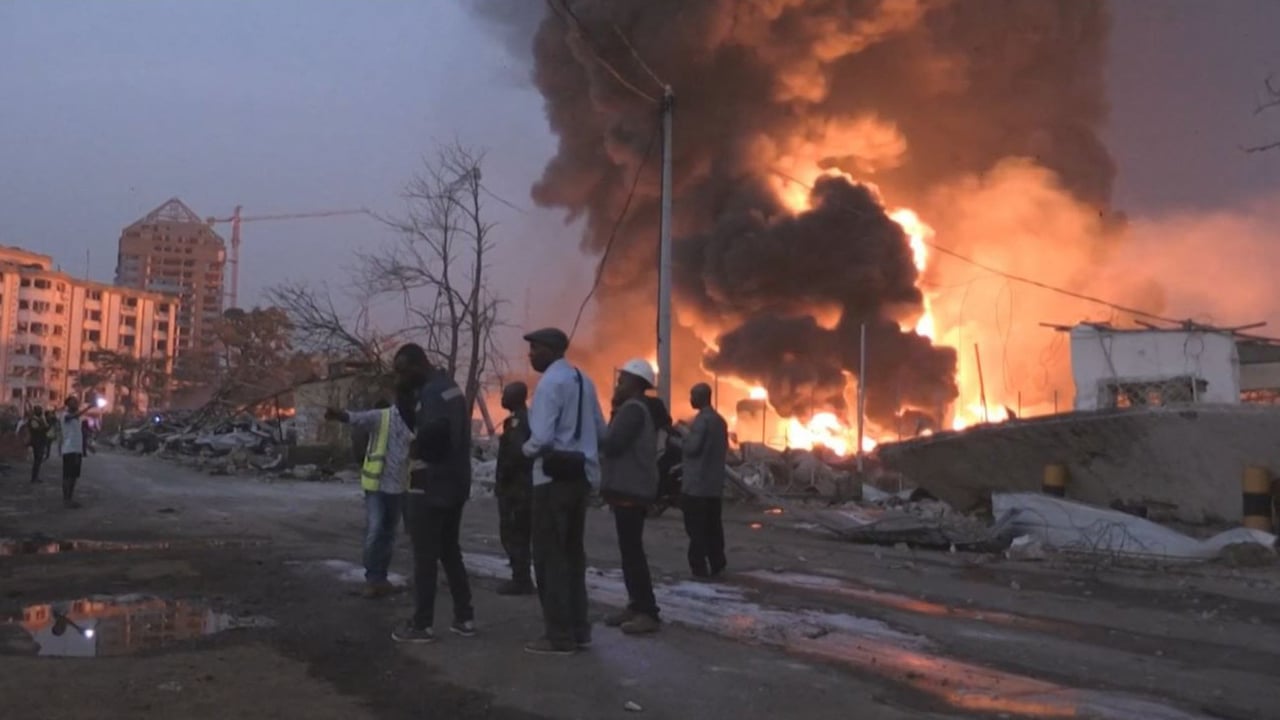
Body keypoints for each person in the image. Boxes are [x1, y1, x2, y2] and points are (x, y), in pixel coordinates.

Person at [521, 327, 606, 656]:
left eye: (535, 349)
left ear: (552, 350)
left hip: (552, 482)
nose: (530, 355)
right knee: (572, 557)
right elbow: (601, 430)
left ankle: (557, 636)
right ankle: (579, 629)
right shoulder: (584, 380)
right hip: (580, 478)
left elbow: (541, 439)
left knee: (548, 557)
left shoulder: (549, 384)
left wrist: (523, 451)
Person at [391, 343, 476, 644]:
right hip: (455, 482)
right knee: (449, 550)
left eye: (402, 371)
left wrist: (418, 447)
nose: (399, 376)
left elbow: (435, 430)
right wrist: (402, 396)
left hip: (431, 483)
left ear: (416, 365)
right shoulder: (448, 387)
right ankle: (464, 617)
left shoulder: (430, 393)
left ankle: (421, 624)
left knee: (424, 555)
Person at [325, 398, 412, 599]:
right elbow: (356, 418)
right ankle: (373, 579)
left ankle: (380, 578)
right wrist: (339, 414)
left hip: (399, 487)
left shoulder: (416, 420)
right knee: (375, 530)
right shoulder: (383, 417)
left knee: (389, 535)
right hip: (377, 486)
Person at [599, 358, 662, 635]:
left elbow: (612, 444)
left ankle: (647, 611)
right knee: (629, 552)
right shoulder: (634, 408)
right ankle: (636, 605)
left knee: (633, 553)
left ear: (636, 384)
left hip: (631, 490)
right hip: (630, 489)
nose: (618, 383)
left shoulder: (632, 410)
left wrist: (598, 430)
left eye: (623, 379)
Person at [680, 383, 730, 578]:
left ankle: (698, 567)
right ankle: (718, 562)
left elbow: (693, 449)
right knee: (713, 527)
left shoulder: (702, 421)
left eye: (693, 396)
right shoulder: (720, 421)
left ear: (702, 397)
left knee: (696, 529)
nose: (690, 400)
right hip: (714, 485)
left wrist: (681, 438)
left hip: (696, 487)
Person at [495, 381, 536, 595]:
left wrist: (504, 478)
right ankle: (520, 576)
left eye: (505, 393)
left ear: (516, 397)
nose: (502, 396)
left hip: (516, 489)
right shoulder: (520, 420)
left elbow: (515, 454)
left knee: (514, 533)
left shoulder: (518, 423)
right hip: (520, 487)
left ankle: (520, 579)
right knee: (517, 532)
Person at [58, 397, 87, 509]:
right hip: (69, 449)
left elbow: (77, 433)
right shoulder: (65, 415)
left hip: (77, 450)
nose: (76, 404)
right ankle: (66, 500)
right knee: (67, 476)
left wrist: (87, 447)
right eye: (73, 402)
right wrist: (90, 407)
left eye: (76, 402)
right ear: (68, 405)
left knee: (74, 476)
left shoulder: (77, 419)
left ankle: (70, 498)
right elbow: (73, 416)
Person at [25, 406, 52, 484]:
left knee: (38, 461)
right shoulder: (33, 420)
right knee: (37, 460)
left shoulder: (39, 419)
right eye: (39, 410)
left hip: (40, 441)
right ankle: (34, 478)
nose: (41, 412)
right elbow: (37, 429)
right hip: (37, 442)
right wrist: (45, 426)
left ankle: (35, 477)